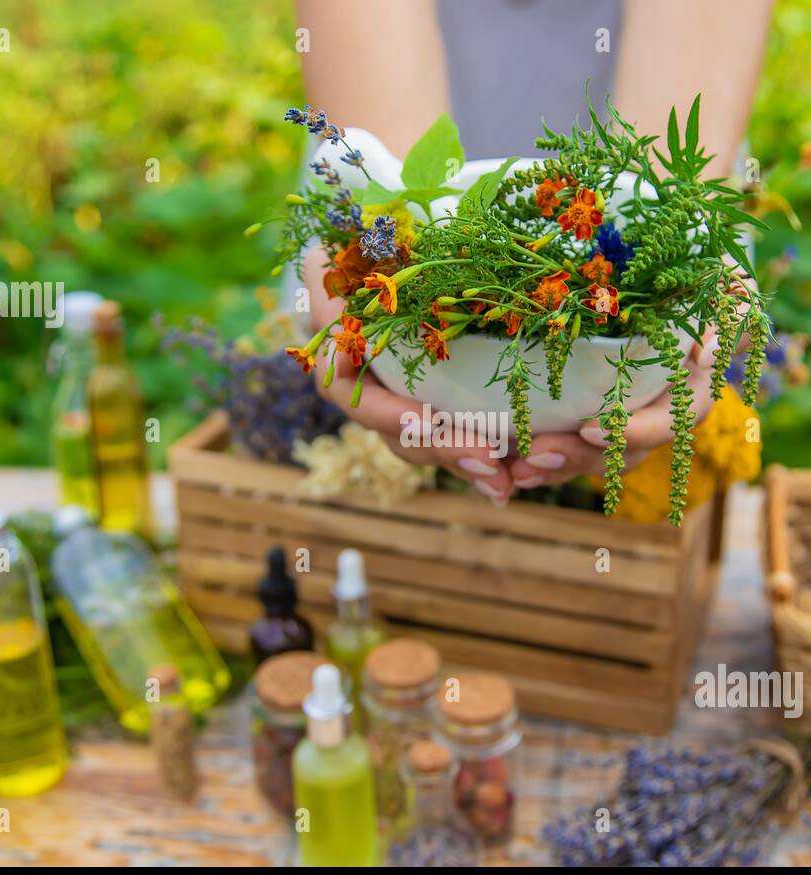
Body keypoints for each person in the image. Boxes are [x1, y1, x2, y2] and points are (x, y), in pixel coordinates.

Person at [296, 0, 773, 504]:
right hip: (375, 89)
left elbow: (662, 196)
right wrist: (387, 247)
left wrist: (679, 238)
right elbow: (398, 192)